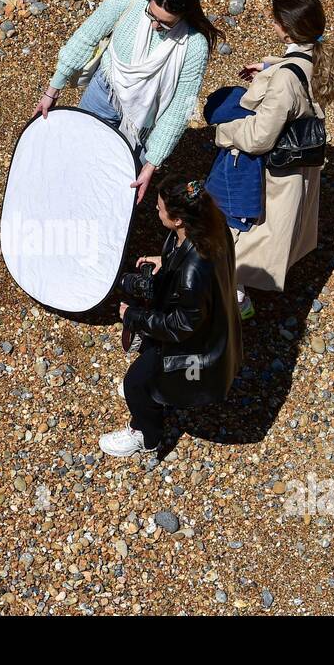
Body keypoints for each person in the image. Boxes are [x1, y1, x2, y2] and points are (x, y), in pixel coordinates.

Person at [213, 0, 334, 319]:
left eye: (276, 21)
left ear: (286, 29)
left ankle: (236, 300)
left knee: (245, 231)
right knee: (283, 229)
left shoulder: (285, 80)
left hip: (278, 174)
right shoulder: (318, 59)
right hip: (303, 165)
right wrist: (267, 65)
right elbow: (298, 65)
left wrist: (223, 133)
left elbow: (260, 137)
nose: (272, 25)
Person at [36, 0, 223, 203]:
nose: (155, 25)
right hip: (103, 93)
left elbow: (178, 110)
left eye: (165, 23)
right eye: (152, 15)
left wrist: (152, 163)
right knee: (80, 154)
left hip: (145, 124)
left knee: (117, 181)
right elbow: (84, 39)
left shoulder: (194, 46)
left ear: (184, 15)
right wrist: (52, 89)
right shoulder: (127, 2)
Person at [100, 177, 243, 457]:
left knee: (135, 384)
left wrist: (134, 316)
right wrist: (164, 260)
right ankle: (151, 393)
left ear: (178, 220)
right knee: (143, 375)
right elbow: (191, 264)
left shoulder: (192, 273)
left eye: (160, 208)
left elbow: (180, 326)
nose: (156, 209)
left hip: (196, 348)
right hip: (215, 327)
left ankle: (146, 435)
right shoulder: (212, 227)